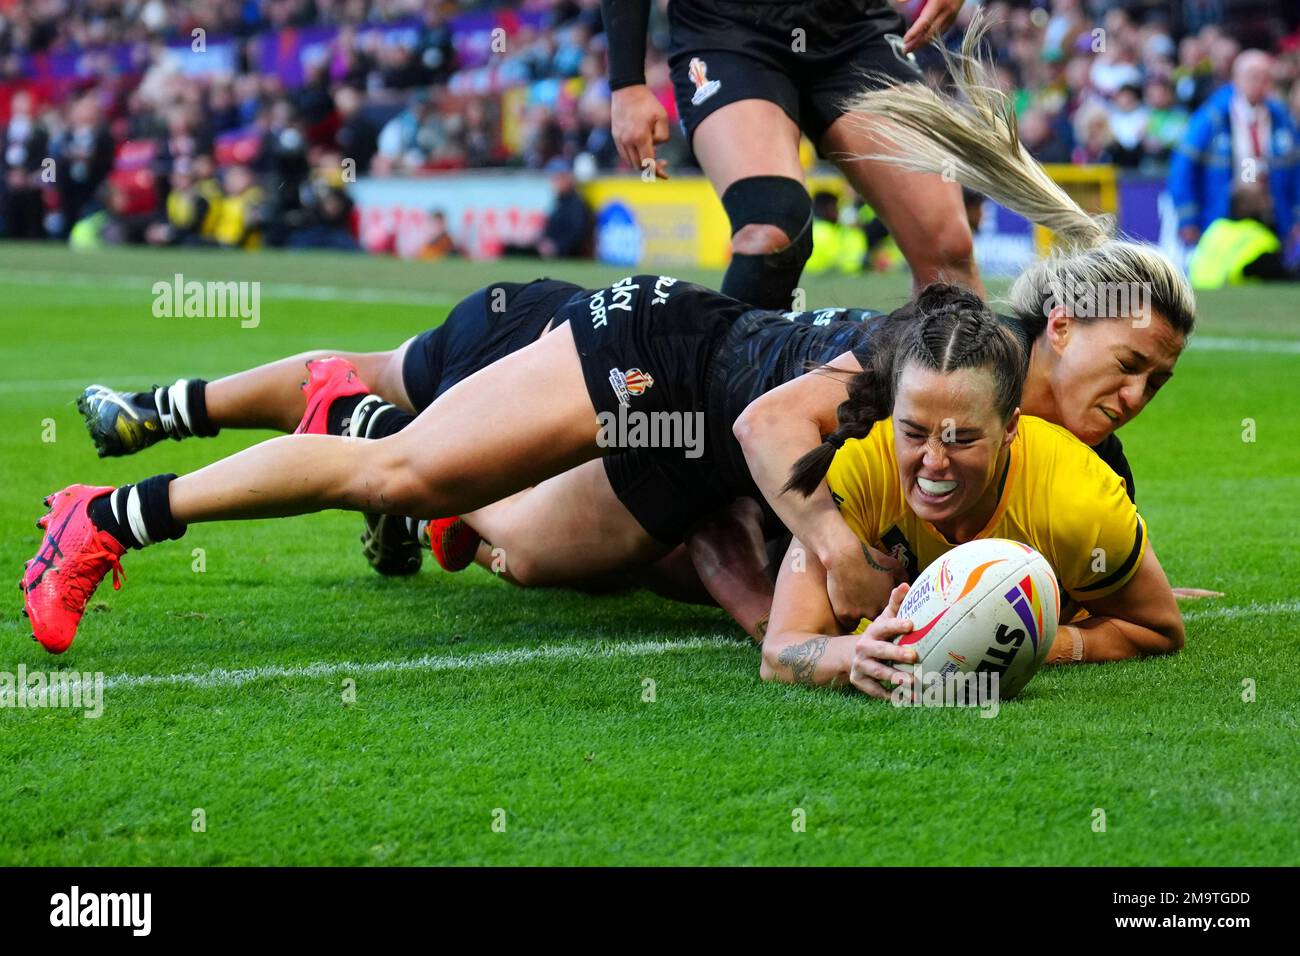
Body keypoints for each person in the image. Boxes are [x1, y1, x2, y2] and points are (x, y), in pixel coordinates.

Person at [30, 22, 1197, 654]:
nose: (1139, 391)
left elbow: (1116, 558)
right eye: (1132, 361)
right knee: (405, 471)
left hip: (701, 447)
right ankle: (109, 515)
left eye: (1159, 375)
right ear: (1060, 325)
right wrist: (837, 547)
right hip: (668, 358)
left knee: (541, 558)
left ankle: (367, 410)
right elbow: (767, 419)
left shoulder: (1059, 428)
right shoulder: (966, 353)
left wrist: (1087, 598)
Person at [760, 295, 1184, 695]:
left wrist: (1044, 644)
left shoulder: (1079, 500)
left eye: (961, 439)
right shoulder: (860, 464)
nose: (933, 463)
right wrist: (857, 654)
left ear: (1011, 428)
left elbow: (1158, 628)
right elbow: (781, 652)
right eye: (911, 432)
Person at [602, 0, 981, 310]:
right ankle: (723, 391)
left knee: (946, 247)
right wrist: (627, 83)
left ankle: (958, 397)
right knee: (772, 229)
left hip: (855, 29)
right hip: (727, 32)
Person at [1168, 49, 1300, 251]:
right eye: (1253, 76)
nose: (1260, 83)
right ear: (1236, 78)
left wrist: (1295, 216)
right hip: (1223, 210)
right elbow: (1183, 168)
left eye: (1265, 77)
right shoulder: (1210, 118)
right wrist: (1188, 218)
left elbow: (1295, 170)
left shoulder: (1280, 118)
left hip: (1270, 210)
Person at [1187, 183, 1299, 288]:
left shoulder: (1216, 227)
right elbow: (1281, 276)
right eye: (1263, 197)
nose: (1271, 202)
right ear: (1243, 206)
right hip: (1233, 296)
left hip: (1198, 293)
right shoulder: (1260, 236)